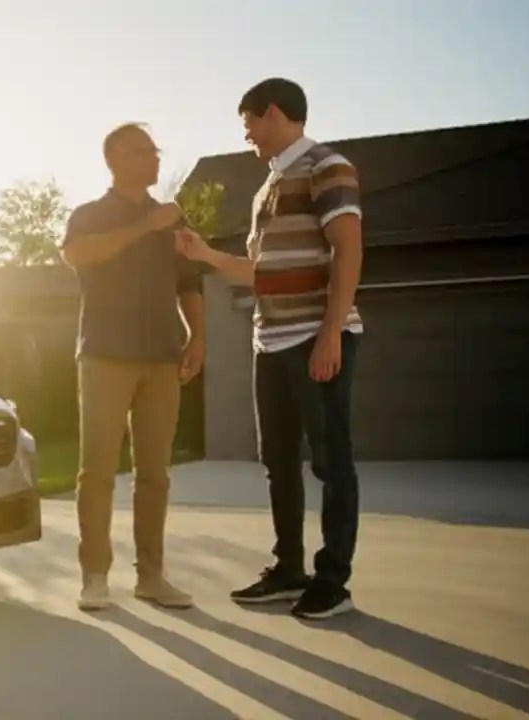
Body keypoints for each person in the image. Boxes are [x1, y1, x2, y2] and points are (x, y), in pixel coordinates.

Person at [176, 78, 364, 620]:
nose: (248, 137)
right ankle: (288, 570)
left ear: (274, 114)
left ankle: (333, 582)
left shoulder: (328, 167)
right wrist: (206, 254)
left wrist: (331, 332)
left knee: (331, 462)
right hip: (271, 341)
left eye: (250, 124)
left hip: (315, 338)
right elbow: (257, 272)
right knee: (278, 461)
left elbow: (348, 249)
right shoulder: (267, 188)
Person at [59, 123, 204, 611]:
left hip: (162, 358)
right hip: (104, 355)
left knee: (155, 474)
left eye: (155, 151)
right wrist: (146, 226)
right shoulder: (89, 216)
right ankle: (94, 577)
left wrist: (198, 336)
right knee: (98, 471)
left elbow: (189, 283)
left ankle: (152, 576)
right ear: (115, 160)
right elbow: (78, 255)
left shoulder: (173, 221)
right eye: (144, 151)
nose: (155, 158)